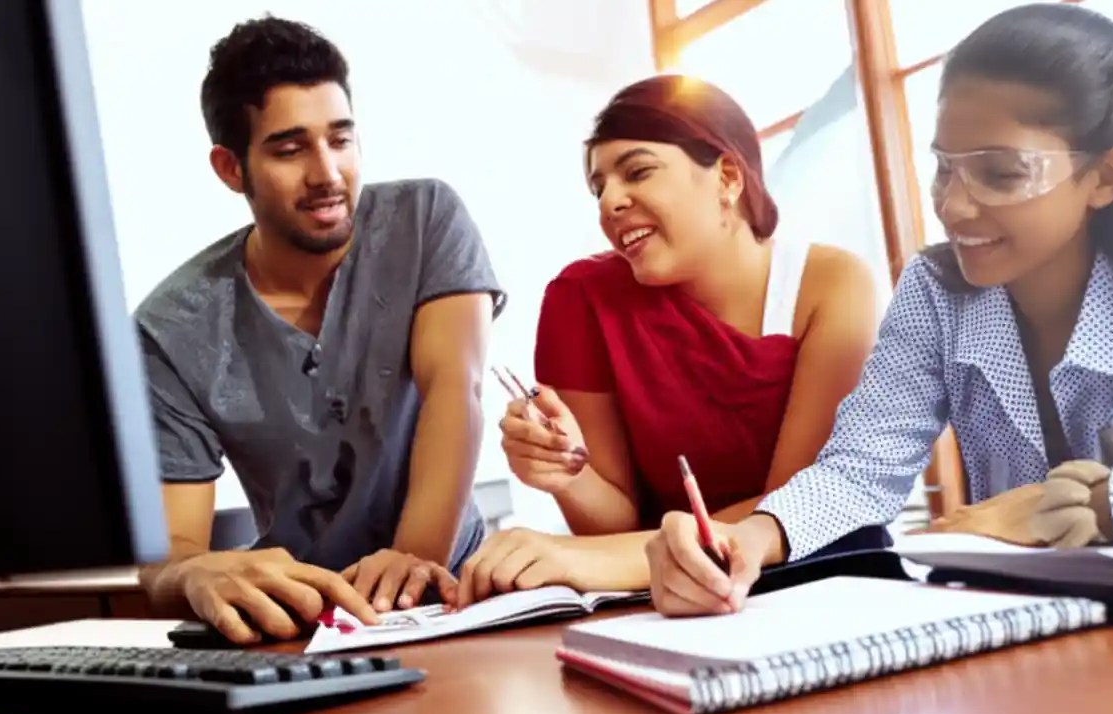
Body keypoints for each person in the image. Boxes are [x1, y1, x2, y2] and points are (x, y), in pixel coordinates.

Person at [645, 3, 1113, 617]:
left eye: (1000, 174)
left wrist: (1093, 506)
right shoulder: (936, 291)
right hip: (1024, 633)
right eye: (944, 169)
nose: (953, 208)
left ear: (1107, 176)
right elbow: (859, 471)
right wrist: (751, 538)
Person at [135, 16, 505, 643]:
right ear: (230, 168)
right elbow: (173, 547)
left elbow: (456, 388)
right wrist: (193, 577)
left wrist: (412, 560)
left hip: (463, 591)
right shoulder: (170, 328)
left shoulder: (426, 219)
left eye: (340, 139)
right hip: (303, 624)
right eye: (289, 149)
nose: (327, 173)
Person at [454, 75, 885, 606]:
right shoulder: (582, 300)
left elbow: (802, 505)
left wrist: (586, 561)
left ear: (727, 176)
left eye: (637, 172)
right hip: (673, 598)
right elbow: (610, 524)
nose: (610, 201)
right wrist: (566, 473)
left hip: (825, 582)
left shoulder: (834, 284)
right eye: (598, 188)